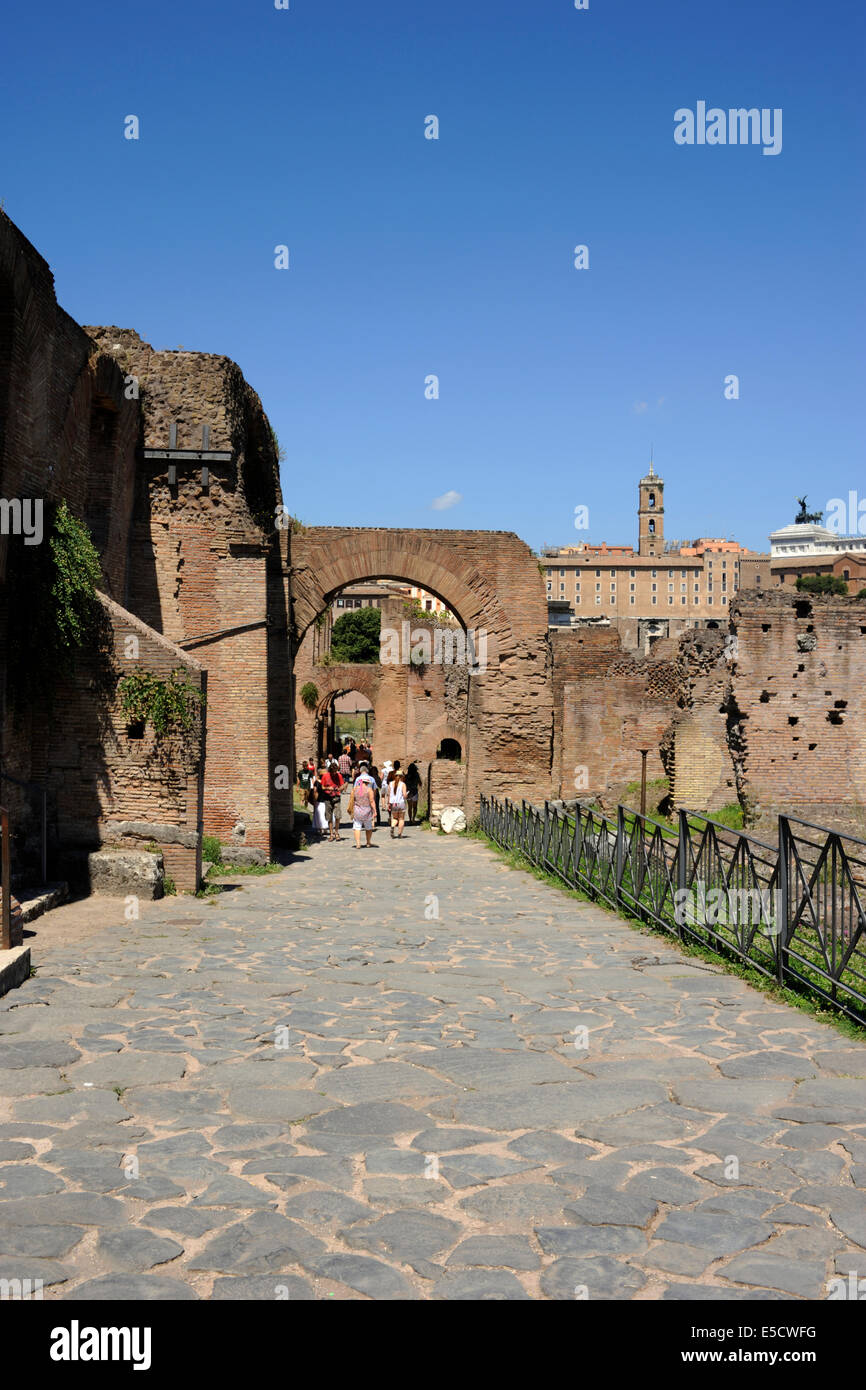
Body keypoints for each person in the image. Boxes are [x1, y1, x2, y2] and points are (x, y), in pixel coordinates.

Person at [351, 762, 376, 848]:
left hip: (357, 810)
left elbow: (352, 800)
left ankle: (358, 843)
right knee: (368, 827)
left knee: (357, 827)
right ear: (367, 782)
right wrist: (375, 811)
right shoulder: (369, 790)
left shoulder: (355, 789)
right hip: (367, 811)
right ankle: (368, 842)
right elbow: (372, 801)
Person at [320, 760, 343, 842]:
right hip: (327, 798)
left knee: (338, 815)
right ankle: (331, 834)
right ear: (330, 770)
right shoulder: (325, 776)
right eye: (333, 772)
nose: (334, 773)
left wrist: (340, 789)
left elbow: (342, 785)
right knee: (329, 817)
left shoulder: (339, 775)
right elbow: (322, 787)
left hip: (336, 797)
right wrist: (327, 788)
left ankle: (336, 832)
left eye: (335, 771)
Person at [388, 765, 407, 839]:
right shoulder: (403, 784)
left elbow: (389, 794)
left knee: (395, 818)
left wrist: (389, 803)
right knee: (401, 819)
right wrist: (406, 796)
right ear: (402, 776)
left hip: (394, 803)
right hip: (401, 803)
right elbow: (404, 795)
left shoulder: (390, 784)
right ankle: (399, 834)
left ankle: (392, 827)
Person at [313, 764, 330, 838]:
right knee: (325, 814)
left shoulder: (317, 782)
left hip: (319, 801)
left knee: (319, 815)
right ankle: (325, 829)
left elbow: (315, 792)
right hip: (325, 800)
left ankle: (320, 829)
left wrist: (314, 800)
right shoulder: (326, 782)